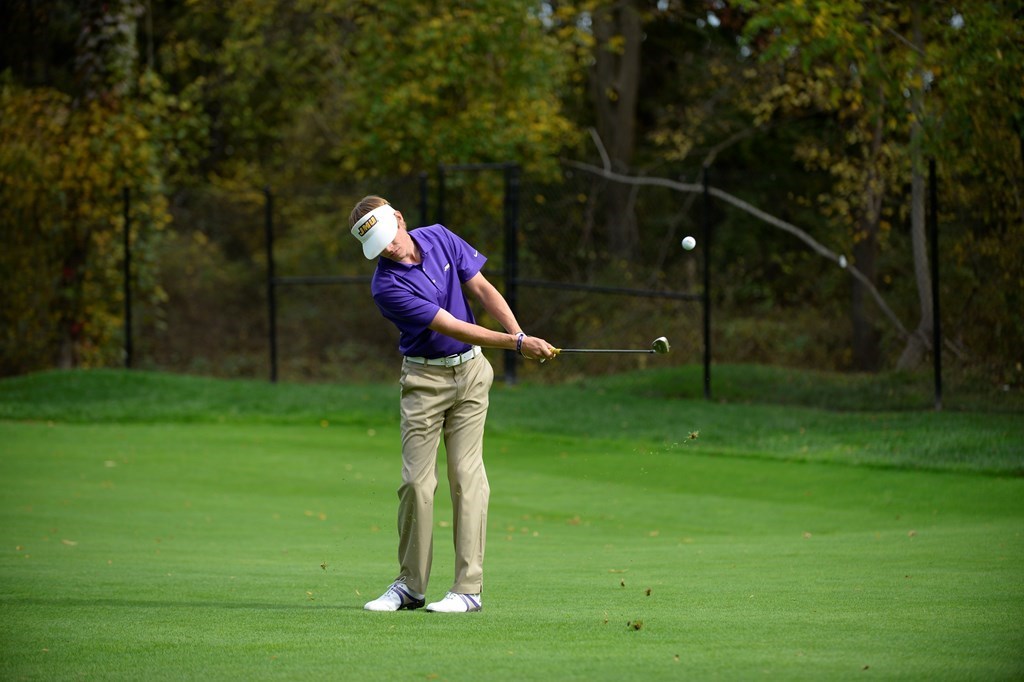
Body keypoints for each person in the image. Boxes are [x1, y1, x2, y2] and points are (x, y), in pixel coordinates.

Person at [349, 195, 556, 613]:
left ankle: (468, 590)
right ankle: (411, 586)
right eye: (378, 247)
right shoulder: (386, 286)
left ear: (400, 219)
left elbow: (480, 287)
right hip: (425, 381)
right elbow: (454, 326)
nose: (389, 249)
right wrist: (517, 344)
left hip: (472, 375)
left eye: (390, 237)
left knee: (467, 476)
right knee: (416, 483)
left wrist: (519, 333)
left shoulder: (440, 237)